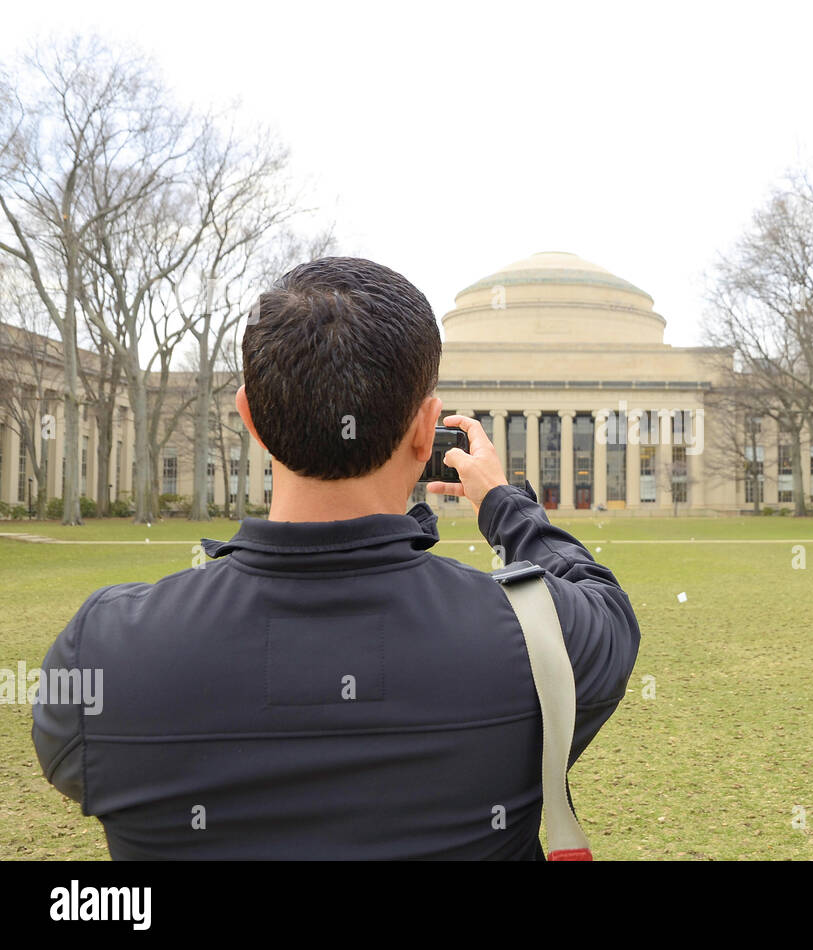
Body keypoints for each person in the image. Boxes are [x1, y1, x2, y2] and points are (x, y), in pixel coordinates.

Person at [31, 257, 640, 859]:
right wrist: (504, 505)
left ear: (252, 420)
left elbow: (67, 760)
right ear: (428, 431)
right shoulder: (539, 640)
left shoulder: (107, 646)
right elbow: (606, 607)